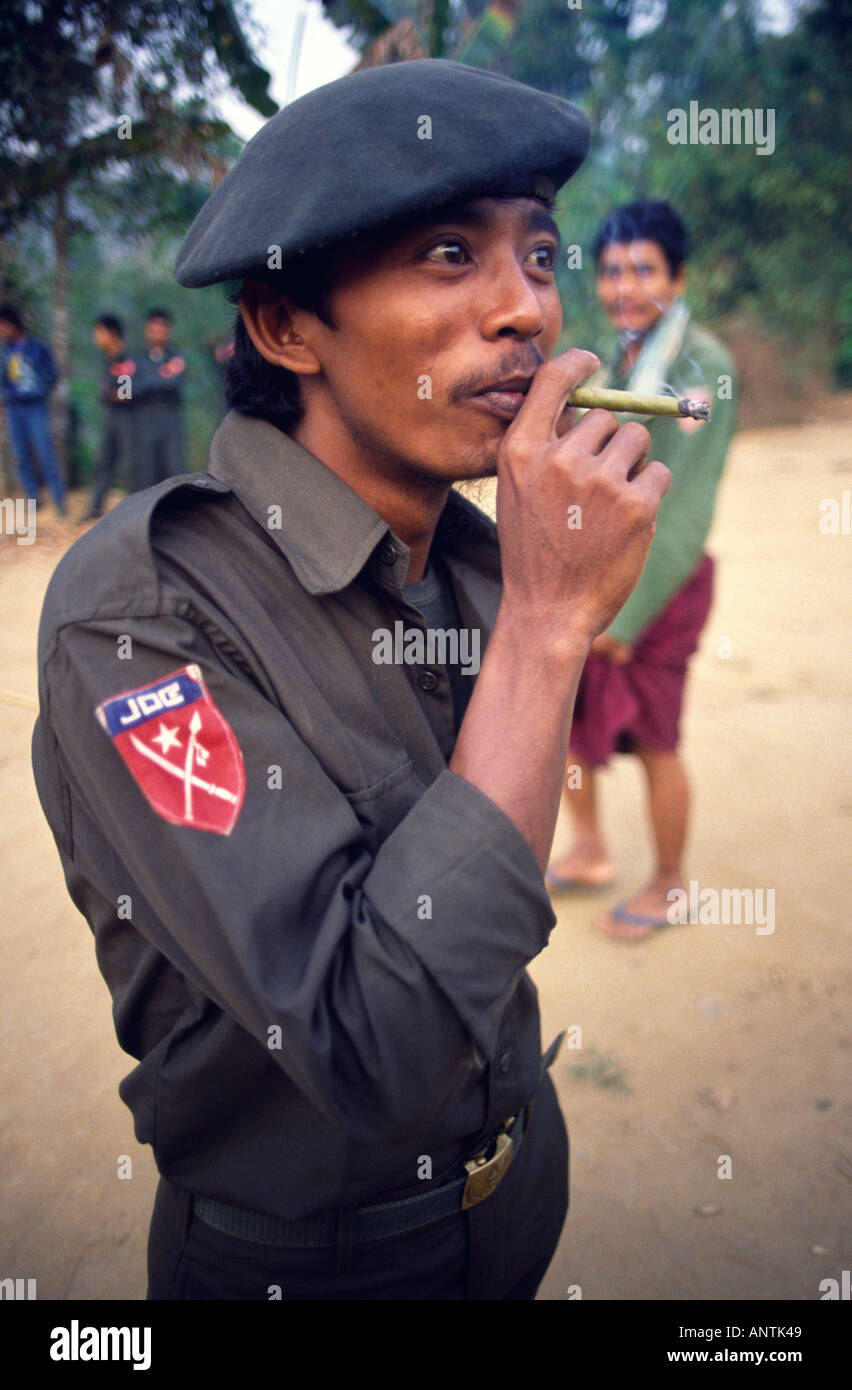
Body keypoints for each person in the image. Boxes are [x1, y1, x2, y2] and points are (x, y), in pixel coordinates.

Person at [31, 60, 668, 1301]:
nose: (527, 310)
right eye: (446, 254)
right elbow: (371, 1042)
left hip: (515, 1199)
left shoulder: (484, 553)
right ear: (284, 327)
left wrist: (537, 604)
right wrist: (549, 631)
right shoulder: (144, 610)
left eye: (539, 255)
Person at [546, 198, 737, 938]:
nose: (626, 287)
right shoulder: (607, 352)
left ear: (679, 277)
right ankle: (590, 849)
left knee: (657, 739)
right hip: (595, 575)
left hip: (657, 587)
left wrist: (624, 614)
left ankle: (670, 882)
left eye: (645, 271)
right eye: (614, 271)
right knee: (566, 722)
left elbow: (685, 502)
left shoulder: (707, 366)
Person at [0, 303, 66, 516]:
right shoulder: (5, 351)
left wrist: (41, 390)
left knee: (45, 452)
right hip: (14, 407)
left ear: (12, 324)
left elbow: (52, 374)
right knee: (21, 456)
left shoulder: (37, 347)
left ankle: (59, 501)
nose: (2, 331)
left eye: (3, 326)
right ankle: (33, 500)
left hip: (35, 406)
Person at [83, 315, 139, 520]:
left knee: (131, 464)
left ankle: (135, 509)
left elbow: (125, 395)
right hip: (112, 417)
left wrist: (108, 394)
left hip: (128, 418)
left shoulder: (125, 358)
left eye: (99, 332)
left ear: (111, 333)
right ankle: (95, 508)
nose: (96, 337)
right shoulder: (108, 358)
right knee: (103, 461)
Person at [132, 309, 186, 487]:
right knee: (146, 471)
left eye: (162, 328)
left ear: (169, 331)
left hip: (170, 418)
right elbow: (127, 392)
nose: (158, 333)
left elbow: (175, 384)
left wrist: (146, 382)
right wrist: (162, 375)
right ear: (147, 330)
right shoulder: (134, 359)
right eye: (154, 329)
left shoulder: (177, 358)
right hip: (144, 419)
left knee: (175, 469)